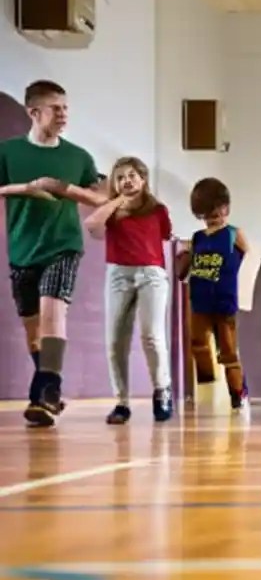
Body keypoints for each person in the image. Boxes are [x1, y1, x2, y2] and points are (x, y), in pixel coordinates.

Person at [0, 79, 110, 427]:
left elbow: (100, 196)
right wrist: (27, 189)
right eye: (55, 108)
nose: (64, 114)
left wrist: (60, 187)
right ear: (34, 112)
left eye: (66, 107)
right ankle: (50, 390)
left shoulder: (78, 156)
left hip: (63, 246)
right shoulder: (8, 152)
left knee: (53, 316)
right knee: (33, 330)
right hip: (22, 249)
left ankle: (43, 394)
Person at [84, 156, 175, 423]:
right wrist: (115, 202)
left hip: (152, 274)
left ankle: (162, 391)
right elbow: (91, 225)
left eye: (131, 175)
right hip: (118, 274)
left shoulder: (157, 210)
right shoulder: (111, 210)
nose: (126, 180)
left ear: (143, 179)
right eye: (120, 177)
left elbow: (166, 235)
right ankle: (121, 402)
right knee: (115, 340)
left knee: (151, 336)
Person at [182, 177, 251, 413]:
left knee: (228, 350)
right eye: (208, 211)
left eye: (218, 209)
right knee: (198, 343)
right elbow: (189, 267)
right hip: (200, 300)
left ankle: (237, 392)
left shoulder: (233, 234)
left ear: (226, 207)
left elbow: (250, 260)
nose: (214, 215)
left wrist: (243, 293)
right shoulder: (198, 238)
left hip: (225, 301)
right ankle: (207, 387)